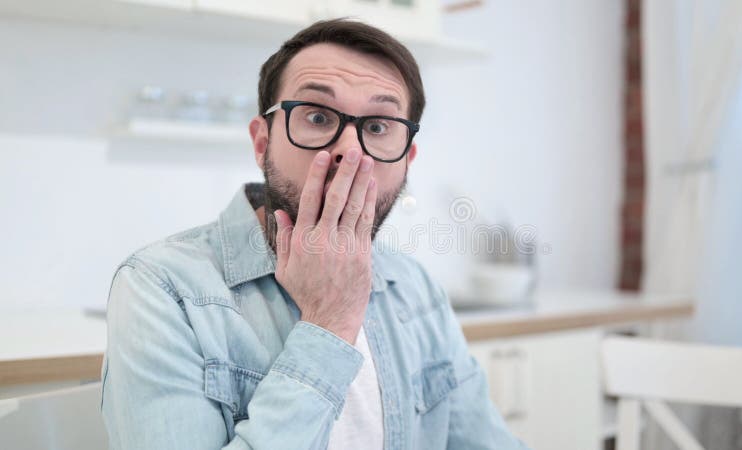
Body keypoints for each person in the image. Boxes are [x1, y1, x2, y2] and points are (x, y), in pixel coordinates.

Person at [100, 18, 529, 450]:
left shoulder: (415, 289)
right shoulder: (160, 287)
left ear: (407, 162)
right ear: (262, 142)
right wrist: (330, 321)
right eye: (319, 116)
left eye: (378, 127)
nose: (350, 150)